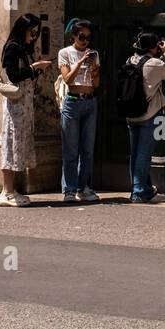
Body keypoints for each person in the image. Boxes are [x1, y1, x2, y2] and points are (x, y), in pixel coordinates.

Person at [0, 13, 50, 207]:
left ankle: (11, 190)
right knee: (11, 146)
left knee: (18, 145)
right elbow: (13, 75)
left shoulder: (24, 48)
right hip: (15, 105)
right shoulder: (12, 47)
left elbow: (25, 73)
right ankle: (6, 191)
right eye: (32, 32)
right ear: (23, 30)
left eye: (36, 32)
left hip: (23, 105)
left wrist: (36, 68)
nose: (34, 36)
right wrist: (34, 67)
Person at [124, 31, 165, 203]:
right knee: (144, 154)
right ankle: (139, 192)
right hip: (151, 115)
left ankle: (141, 188)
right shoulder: (155, 63)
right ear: (154, 47)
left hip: (132, 114)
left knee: (135, 153)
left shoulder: (130, 60)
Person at [57, 18, 100, 203]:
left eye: (88, 38)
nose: (85, 41)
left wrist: (93, 69)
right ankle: (69, 189)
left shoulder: (94, 54)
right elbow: (67, 79)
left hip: (90, 102)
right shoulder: (65, 53)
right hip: (73, 102)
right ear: (73, 35)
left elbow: (97, 83)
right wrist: (80, 61)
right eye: (81, 36)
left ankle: (84, 188)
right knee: (71, 149)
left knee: (87, 149)